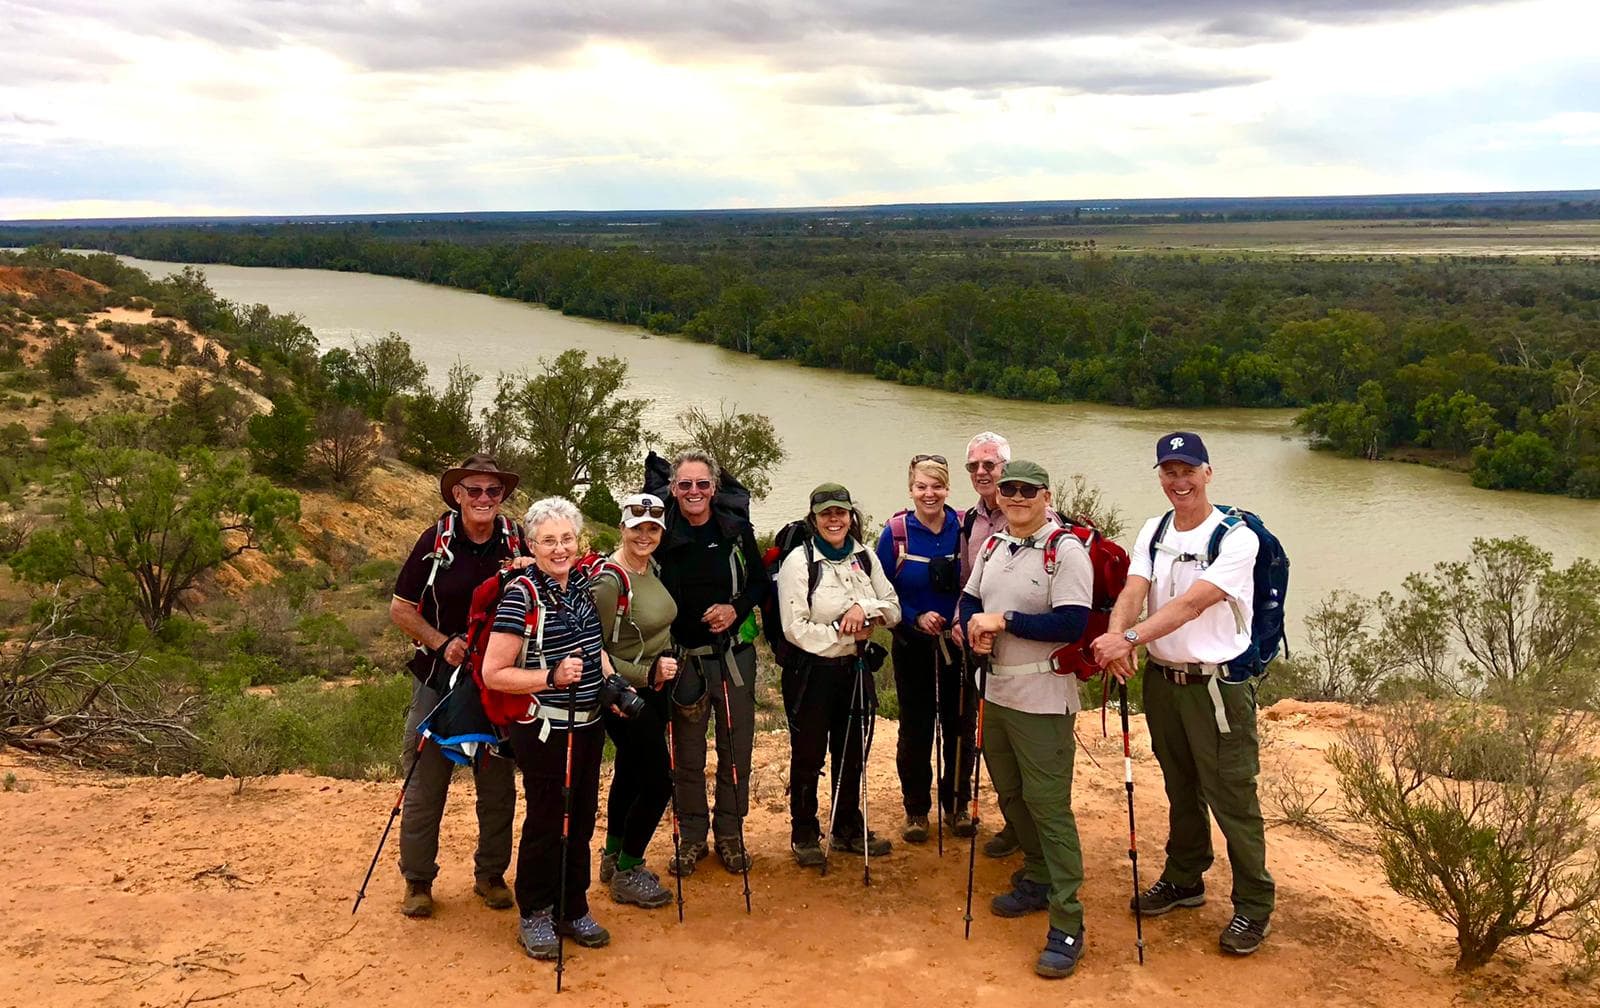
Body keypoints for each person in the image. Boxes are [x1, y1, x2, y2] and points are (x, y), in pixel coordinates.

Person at [1091, 432, 1275, 957]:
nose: (1179, 481)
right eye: (1169, 472)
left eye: (1188, 470)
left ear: (1208, 472)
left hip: (1214, 685)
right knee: (1181, 783)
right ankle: (1185, 878)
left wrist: (1125, 639)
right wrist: (1122, 638)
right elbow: (1134, 590)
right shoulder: (1155, 529)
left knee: (1232, 794)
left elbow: (1195, 604)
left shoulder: (1236, 538)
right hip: (1164, 681)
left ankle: (1254, 905)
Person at [957, 460, 1093, 979]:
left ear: (1045, 495)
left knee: (1048, 805)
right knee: (1011, 794)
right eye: (1008, 489)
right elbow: (972, 596)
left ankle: (1067, 922)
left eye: (1026, 490)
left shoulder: (1066, 550)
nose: (1015, 497)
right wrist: (972, 622)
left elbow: (1073, 621)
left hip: (1042, 695)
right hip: (997, 689)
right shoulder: (994, 545)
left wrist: (1005, 621)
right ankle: (1036, 876)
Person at [387, 453, 523, 919]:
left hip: (498, 681)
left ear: (502, 496)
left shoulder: (516, 541)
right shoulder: (436, 542)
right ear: (458, 495)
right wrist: (441, 642)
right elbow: (401, 608)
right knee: (426, 782)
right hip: (438, 678)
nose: (484, 498)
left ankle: (491, 875)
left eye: (493, 491)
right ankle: (418, 881)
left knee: (498, 781)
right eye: (475, 490)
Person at [481, 496, 616, 961]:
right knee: (545, 818)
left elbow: (591, 646)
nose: (559, 549)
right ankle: (535, 912)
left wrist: (612, 682)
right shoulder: (521, 595)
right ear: (532, 546)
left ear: (577, 543)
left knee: (579, 817)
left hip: (589, 723)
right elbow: (493, 673)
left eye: (566, 539)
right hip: (544, 728)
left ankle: (572, 905)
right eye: (548, 541)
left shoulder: (581, 585)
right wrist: (549, 677)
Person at [655, 450, 767, 877]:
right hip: (684, 660)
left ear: (714, 488)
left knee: (735, 749)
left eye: (702, 484)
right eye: (685, 485)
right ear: (673, 489)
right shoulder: (662, 533)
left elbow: (758, 583)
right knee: (686, 753)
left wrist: (734, 610)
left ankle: (730, 834)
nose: (694, 492)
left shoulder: (735, 531)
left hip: (733, 656)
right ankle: (692, 838)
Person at [779, 483, 902, 867]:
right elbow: (794, 628)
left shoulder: (865, 557)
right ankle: (804, 831)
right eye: (826, 514)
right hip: (811, 675)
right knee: (809, 755)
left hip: (857, 669)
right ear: (814, 520)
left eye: (841, 513)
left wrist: (862, 607)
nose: (835, 520)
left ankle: (846, 824)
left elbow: (894, 608)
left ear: (851, 516)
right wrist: (844, 633)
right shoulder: (799, 563)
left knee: (851, 752)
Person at [874, 454, 974, 843]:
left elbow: (980, 580)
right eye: (921, 486)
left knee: (960, 725)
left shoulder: (965, 528)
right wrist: (915, 616)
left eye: (937, 486)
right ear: (910, 488)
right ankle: (916, 811)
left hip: (959, 641)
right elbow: (880, 590)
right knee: (916, 728)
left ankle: (957, 805)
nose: (929, 493)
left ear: (948, 488)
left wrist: (958, 617)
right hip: (912, 643)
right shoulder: (896, 533)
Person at [592, 493, 680, 910]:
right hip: (628, 696)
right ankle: (629, 868)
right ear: (622, 527)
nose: (644, 536)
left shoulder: (649, 568)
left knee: (628, 770)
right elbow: (595, 650)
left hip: (654, 689)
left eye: (653, 529)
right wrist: (645, 675)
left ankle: (612, 856)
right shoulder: (610, 582)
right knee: (659, 780)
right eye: (637, 527)